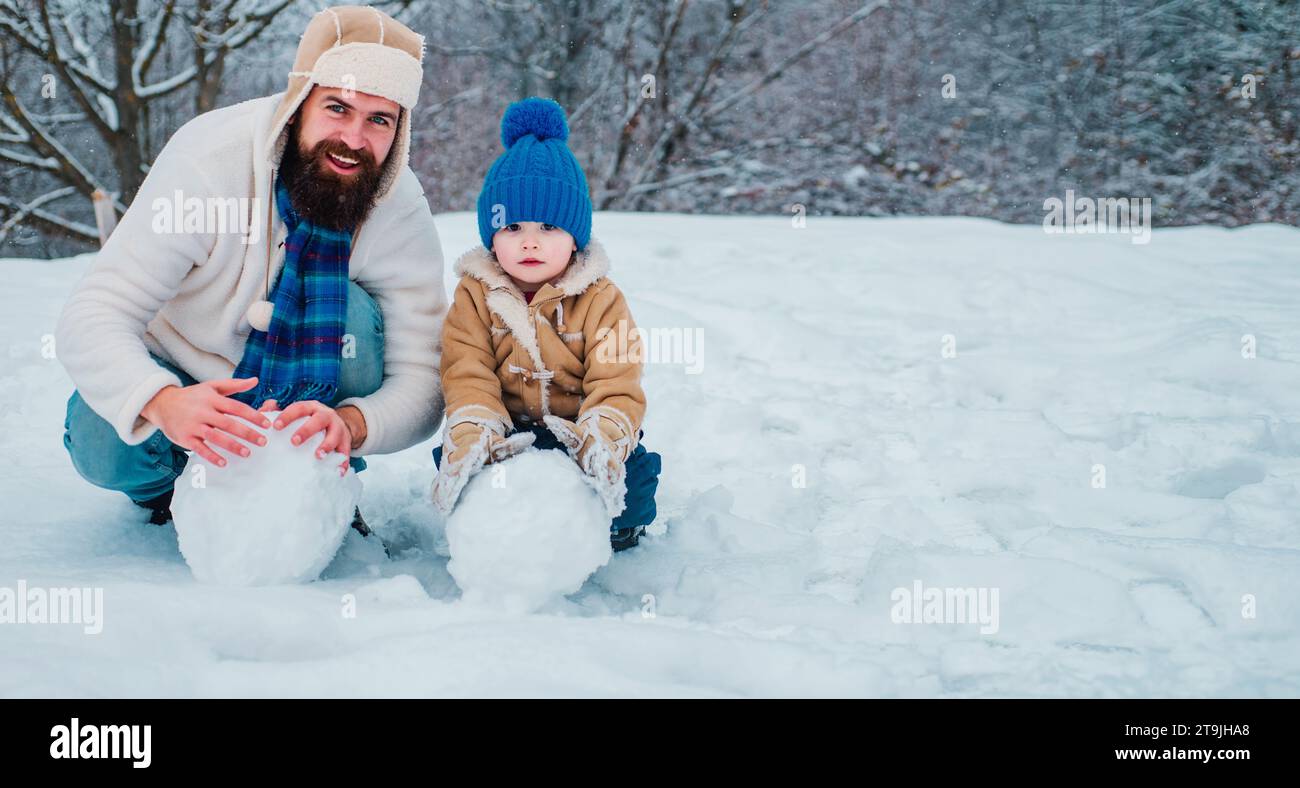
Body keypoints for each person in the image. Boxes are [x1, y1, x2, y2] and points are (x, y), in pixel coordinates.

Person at [58, 6, 446, 532]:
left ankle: (315, 478)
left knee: (354, 314)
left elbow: (424, 376)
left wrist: (354, 425)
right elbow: (94, 313)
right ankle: (170, 492)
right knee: (102, 437)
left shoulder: (398, 204)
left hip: (313, 405)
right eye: (338, 107)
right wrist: (164, 402)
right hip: (185, 377)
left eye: (379, 119)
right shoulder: (209, 160)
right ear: (299, 100)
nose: (354, 140)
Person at [431, 97, 662, 552]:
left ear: (575, 236)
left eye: (549, 228)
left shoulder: (599, 298)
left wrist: (603, 435)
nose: (530, 242)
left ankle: (613, 527)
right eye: (512, 227)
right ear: (490, 235)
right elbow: (467, 370)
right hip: (508, 434)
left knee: (636, 479)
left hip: (579, 432)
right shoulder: (476, 295)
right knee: (450, 459)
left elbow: (616, 378)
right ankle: (494, 523)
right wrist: (476, 428)